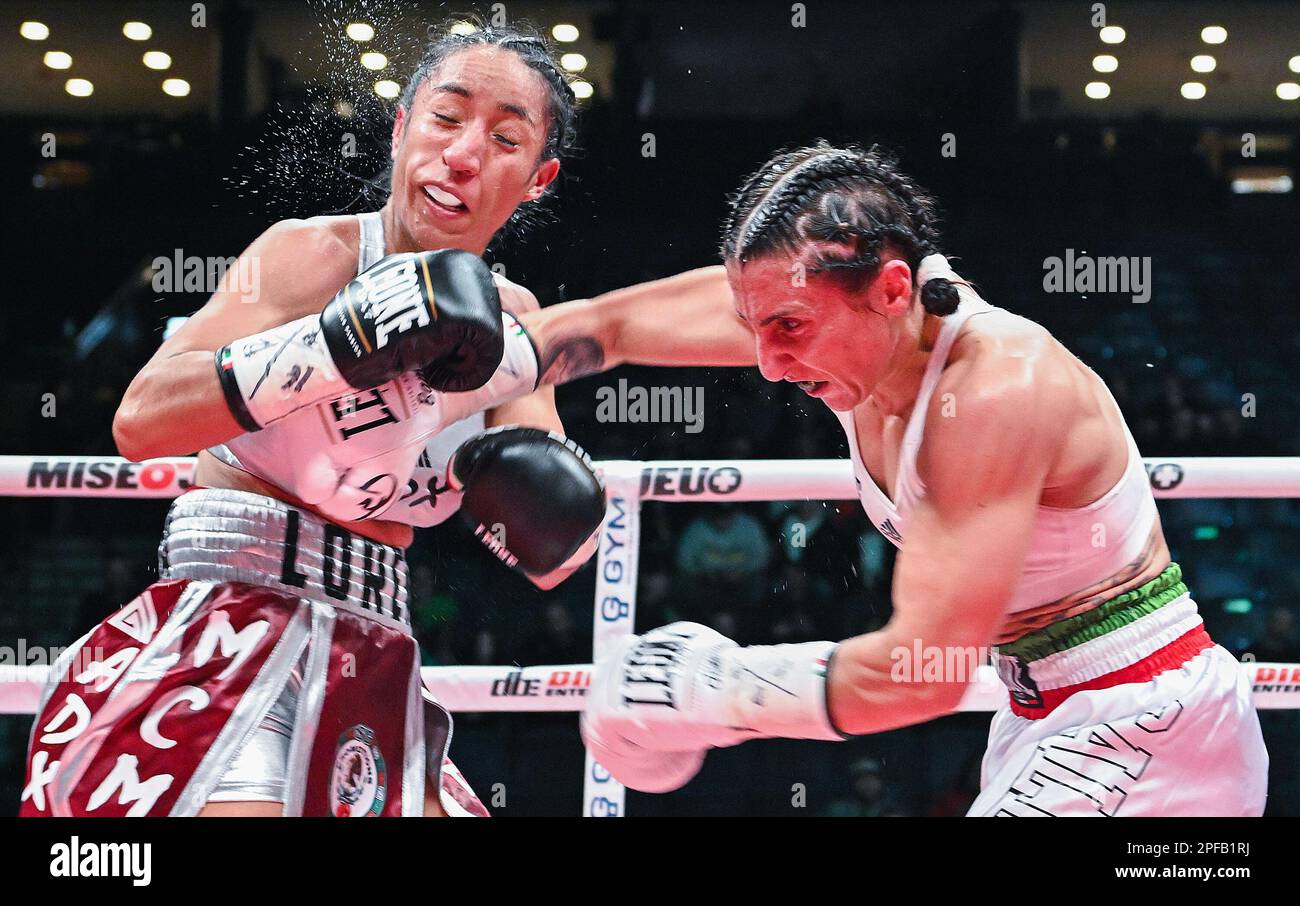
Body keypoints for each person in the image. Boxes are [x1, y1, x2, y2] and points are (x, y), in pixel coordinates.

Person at [558, 141, 1268, 816]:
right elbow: (608, 326)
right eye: (753, 326)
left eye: (787, 328)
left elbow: (926, 672)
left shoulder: (994, 389)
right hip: (1048, 712)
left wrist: (715, 689)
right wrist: (511, 354)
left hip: (1147, 719)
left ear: (894, 290)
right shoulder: (848, 325)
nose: (768, 362)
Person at [20, 24, 612, 818]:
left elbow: (555, 545)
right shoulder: (311, 256)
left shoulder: (513, 323)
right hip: (231, 624)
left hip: (375, 648)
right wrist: (338, 344)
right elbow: (140, 419)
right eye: (445, 117)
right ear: (402, 129)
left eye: (505, 137)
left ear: (538, 178)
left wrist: (548, 501)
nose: (465, 153)